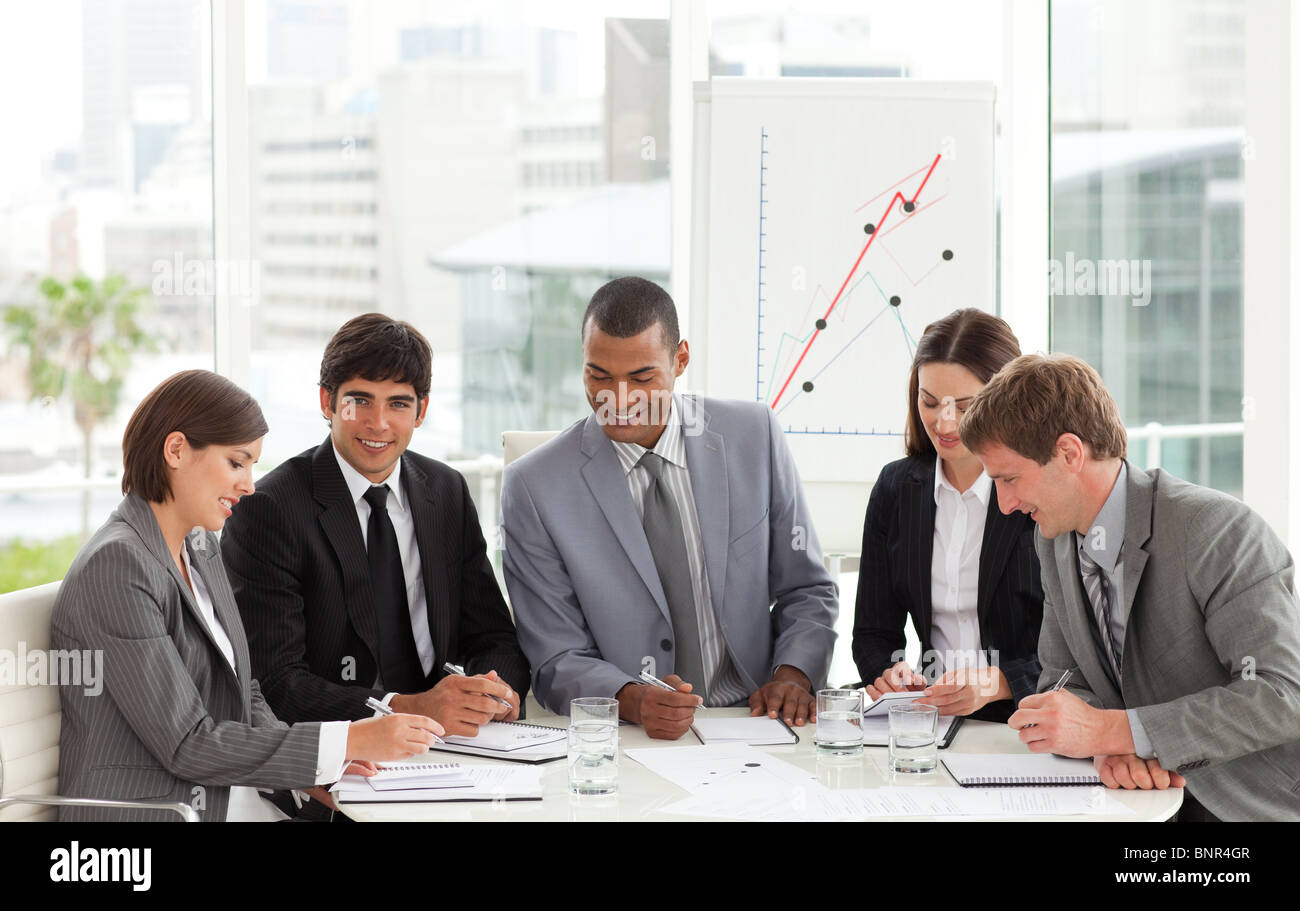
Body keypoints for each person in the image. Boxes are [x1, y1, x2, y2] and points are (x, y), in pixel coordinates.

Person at [52, 370, 441, 822]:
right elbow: (186, 743)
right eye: (237, 463)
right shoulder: (119, 565)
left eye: (253, 466)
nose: (249, 484)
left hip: (237, 804)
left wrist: (316, 769)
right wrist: (349, 739)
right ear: (176, 450)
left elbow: (245, 693)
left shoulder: (198, 547)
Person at [959, 353, 1300, 821]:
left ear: (1069, 453)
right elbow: (1063, 677)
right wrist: (1105, 746)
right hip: (1131, 798)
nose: (1005, 504)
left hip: (1246, 802)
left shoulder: (1214, 528)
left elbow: (1281, 694)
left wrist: (1117, 732)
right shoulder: (1053, 540)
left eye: (1009, 479)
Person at [501, 276, 838, 740]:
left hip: (757, 719)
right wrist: (630, 699)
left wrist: (793, 675)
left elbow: (808, 588)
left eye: (642, 378)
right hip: (629, 732)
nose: (618, 400)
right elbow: (555, 656)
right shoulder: (533, 486)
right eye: (598, 375)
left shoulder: (753, 435)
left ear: (680, 359)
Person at [222, 314, 530, 736]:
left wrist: (494, 691)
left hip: (455, 744)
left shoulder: (446, 491)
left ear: (421, 411)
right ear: (327, 403)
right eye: (360, 401)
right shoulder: (270, 509)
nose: (378, 423)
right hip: (338, 754)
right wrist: (402, 708)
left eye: (398, 404)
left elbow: (492, 635)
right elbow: (275, 682)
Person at [854, 309, 1043, 723]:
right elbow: (872, 632)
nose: (944, 421)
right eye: (930, 401)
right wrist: (889, 673)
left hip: (1025, 721)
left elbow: (1079, 655)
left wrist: (999, 681)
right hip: (930, 720)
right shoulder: (896, 488)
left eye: (965, 405)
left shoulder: (1037, 490)